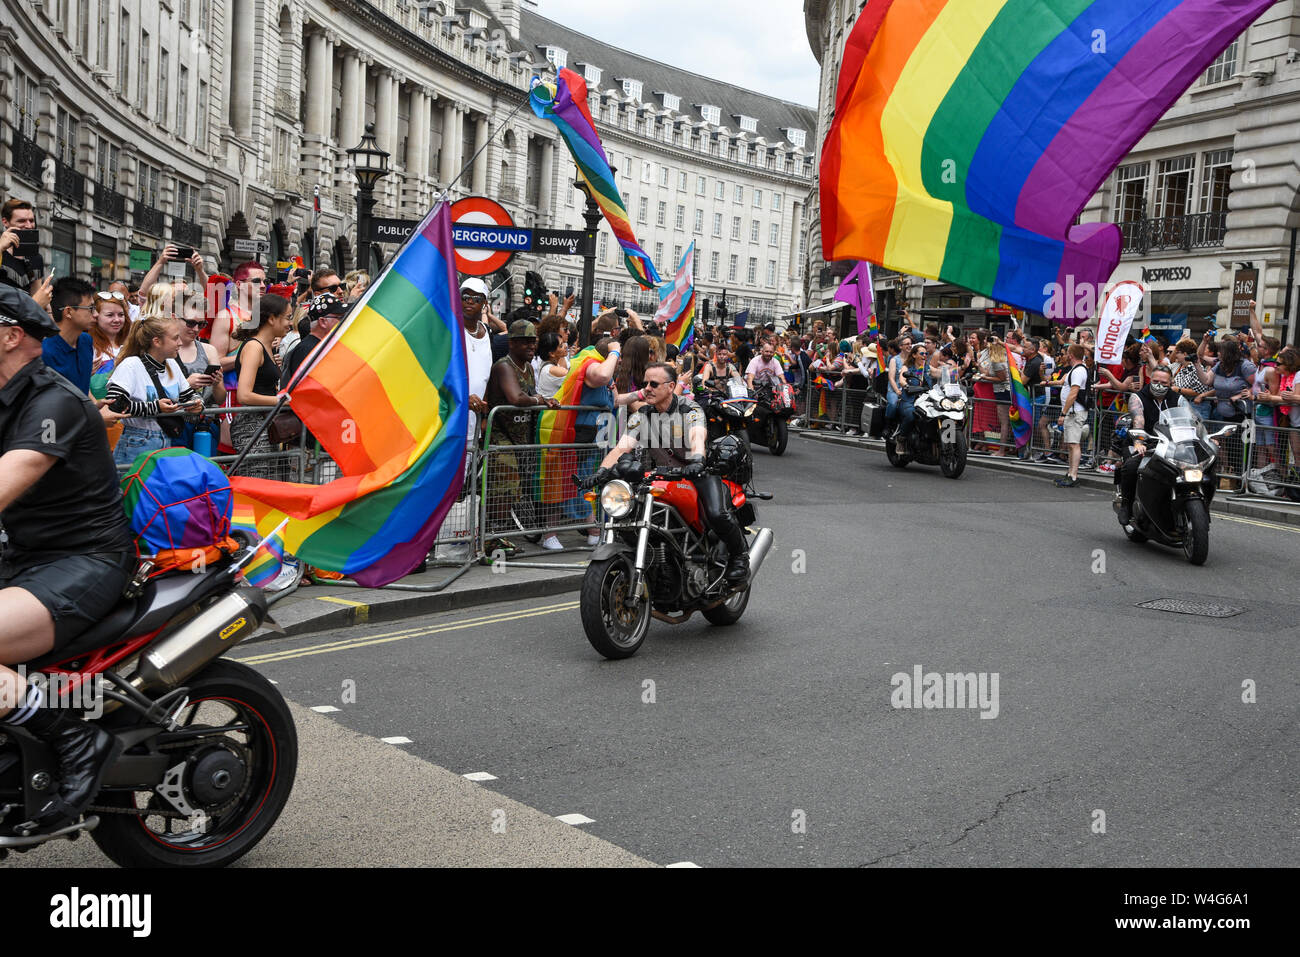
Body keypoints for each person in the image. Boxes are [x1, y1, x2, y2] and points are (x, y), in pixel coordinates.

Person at [0, 284, 137, 833]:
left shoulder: (53, 403)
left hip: (85, 561)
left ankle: (74, 734)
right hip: (25, 558)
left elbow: (11, 478)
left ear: (10, 337)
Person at [596, 362, 749, 582]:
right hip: (662, 475)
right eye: (645, 383)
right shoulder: (642, 415)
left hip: (696, 473)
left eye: (654, 384)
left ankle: (740, 557)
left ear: (671, 387)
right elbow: (621, 448)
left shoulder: (690, 408)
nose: (647, 388)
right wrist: (601, 473)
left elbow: (698, 436)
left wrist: (697, 459)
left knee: (717, 514)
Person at [484, 320, 561, 551]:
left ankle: (499, 534)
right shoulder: (504, 366)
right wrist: (539, 400)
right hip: (500, 435)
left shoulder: (528, 367)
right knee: (503, 487)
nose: (530, 346)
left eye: (533, 341)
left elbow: (529, 394)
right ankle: (492, 536)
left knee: (515, 488)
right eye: (525, 342)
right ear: (512, 343)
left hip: (520, 435)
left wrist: (544, 399)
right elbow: (516, 398)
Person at [106, 314, 203, 467]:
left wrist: (197, 404)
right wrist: (156, 407)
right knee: (133, 491)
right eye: (175, 338)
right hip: (136, 441)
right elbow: (115, 404)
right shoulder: (131, 364)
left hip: (168, 440)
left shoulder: (172, 364)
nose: (180, 343)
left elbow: (189, 395)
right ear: (157, 341)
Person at [229, 294, 294, 478]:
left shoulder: (266, 347)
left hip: (265, 426)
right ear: (271, 319)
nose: (290, 323)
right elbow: (244, 395)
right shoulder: (254, 347)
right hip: (252, 429)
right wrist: (280, 401)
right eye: (288, 317)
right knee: (257, 488)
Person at [1114, 367, 1177, 527]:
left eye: (1163, 382)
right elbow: (1138, 420)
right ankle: (1126, 505)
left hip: (1169, 444)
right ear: (1150, 380)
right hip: (1144, 442)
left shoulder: (1177, 398)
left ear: (1170, 383)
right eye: (1155, 381)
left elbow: (1191, 419)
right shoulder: (1138, 397)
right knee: (1131, 466)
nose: (1159, 385)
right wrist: (1139, 442)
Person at [41, 277, 97, 395]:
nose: (96, 314)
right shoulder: (45, 352)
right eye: (90, 308)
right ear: (69, 312)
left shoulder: (86, 341)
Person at [460, 277, 495, 449]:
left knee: (466, 472)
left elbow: (485, 377)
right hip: (449, 420)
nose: (470, 302)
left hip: (474, 423)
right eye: (465, 297)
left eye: (476, 299)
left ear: (484, 304)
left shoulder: (487, 332)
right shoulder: (451, 329)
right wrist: (462, 399)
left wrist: (485, 415)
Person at [0, 199, 52, 308]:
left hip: (24, 318)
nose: (28, 226)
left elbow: (36, 293)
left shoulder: (35, 257)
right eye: (21, 221)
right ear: (5, 222)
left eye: (31, 220)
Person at [1054, 345, 1090, 488]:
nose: (1065, 356)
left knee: (1074, 444)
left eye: (1067, 353)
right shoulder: (1076, 370)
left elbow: (1073, 393)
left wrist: (1063, 413)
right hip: (1072, 412)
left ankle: (1073, 475)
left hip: (1075, 412)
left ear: (1071, 355)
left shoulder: (1079, 370)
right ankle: (1070, 473)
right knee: (1071, 443)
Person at [894, 343, 930, 453]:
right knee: (911, 415)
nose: (924, 355)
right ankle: (901, 439)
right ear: (914, 355)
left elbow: (940, 373)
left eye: (926, 353)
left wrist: (956, 370)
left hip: (925, 399)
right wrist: (906, 386)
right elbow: (901, 379)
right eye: (922, 353)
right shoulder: (907, 367)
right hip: (909, 399)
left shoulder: (927, 368)